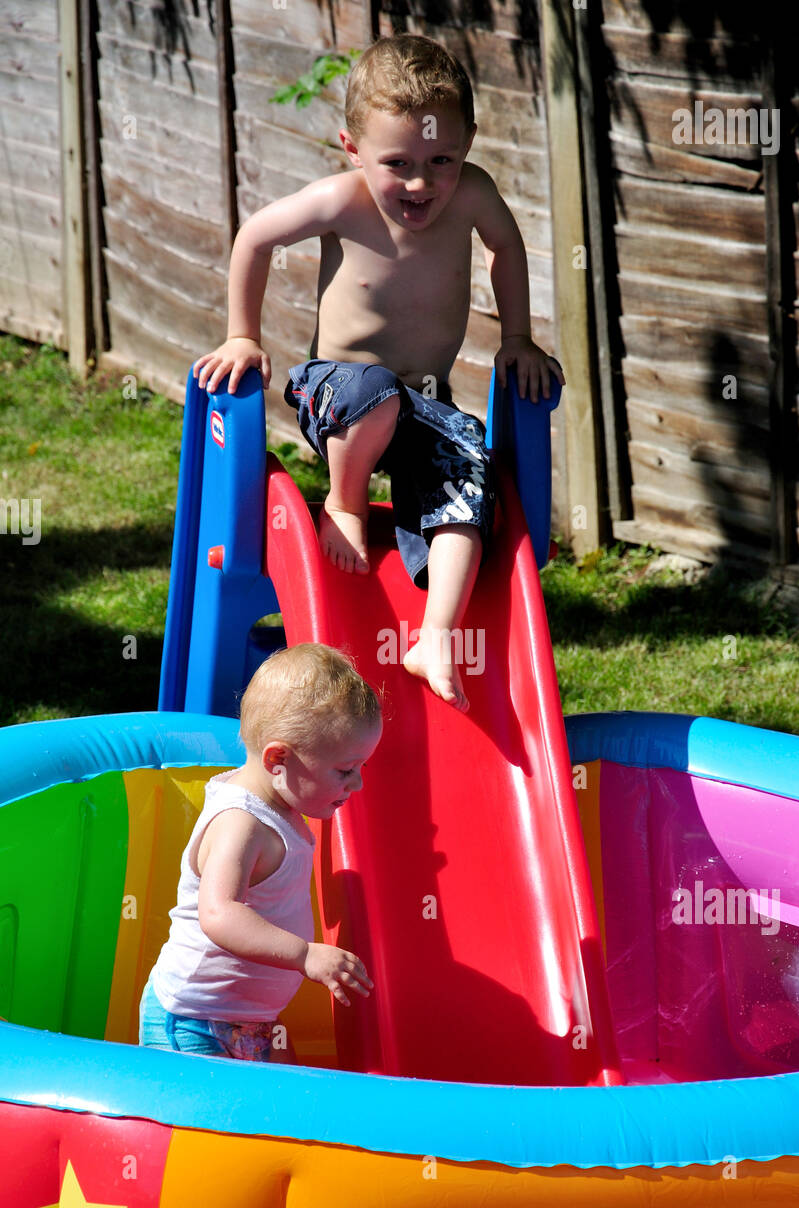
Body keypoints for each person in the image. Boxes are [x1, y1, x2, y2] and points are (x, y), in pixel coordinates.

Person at [192, 34, 564, 712]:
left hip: (420, 407)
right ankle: (344, 500)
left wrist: (518, 338)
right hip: (338, 395)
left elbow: (505, 246)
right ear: (351, 147)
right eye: (397, 163)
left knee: (467, 470)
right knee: (375, 391)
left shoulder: (473, 195)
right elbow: (256, 237)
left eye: (440, 160)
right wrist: (242, 333)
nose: (421, 183)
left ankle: (436, 633)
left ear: (469, 144)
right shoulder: (341, 201)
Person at [138, 643, 382, 1063]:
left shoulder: (284, 806)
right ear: (278, 758)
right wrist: (304, 955)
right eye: (345, 770)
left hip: (246, 1019)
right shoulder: (242, 823)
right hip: (193, 1018)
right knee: (205, 1123)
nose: (357, 784)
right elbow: (220, 914)